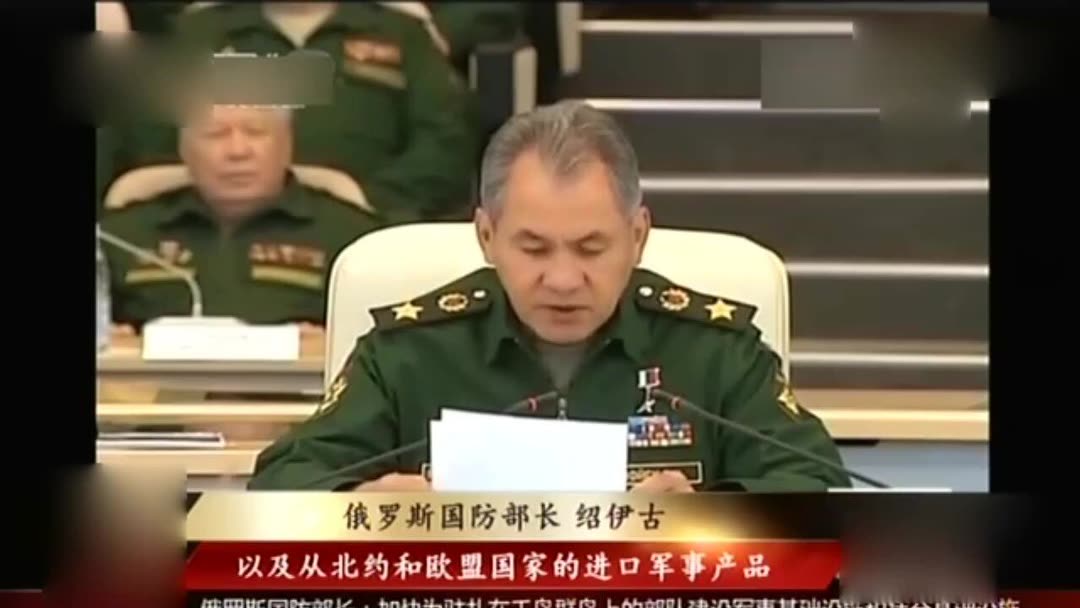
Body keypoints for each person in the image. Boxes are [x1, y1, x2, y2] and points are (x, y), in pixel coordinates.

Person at [247, 101, 852, 493]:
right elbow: (282, 483)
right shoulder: (409, 350)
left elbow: (817, 485)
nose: (563, 279)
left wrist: (706, 516)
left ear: (638, 237)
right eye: (534, 248)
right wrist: (360, 502)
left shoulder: (714, 349)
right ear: (487, 237)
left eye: (591, 248)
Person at [109, 2, 477, 225]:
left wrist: (368, 204)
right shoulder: (199, 32)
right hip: (216, 224)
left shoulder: (401, 33)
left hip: (371, 222)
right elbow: (150, 137)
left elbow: (445, 142)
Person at [101, 104, 383, 328]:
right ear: (184, 150)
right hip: (151, 385)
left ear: (287, 145)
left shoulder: (352, 236)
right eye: (216, 134)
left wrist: (332, 342)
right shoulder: (120, 236)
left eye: (256, 132)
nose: (238, 151)